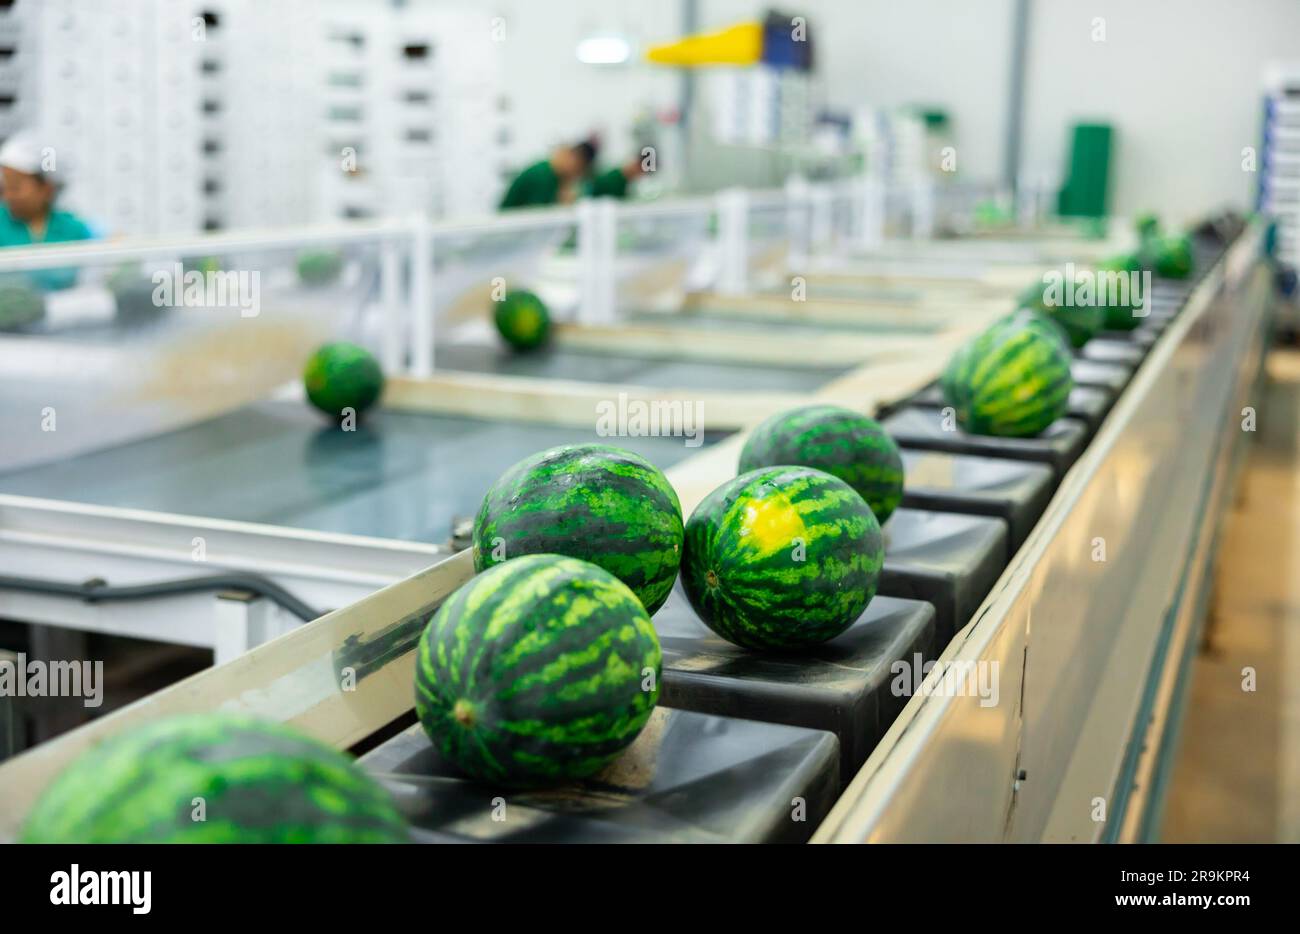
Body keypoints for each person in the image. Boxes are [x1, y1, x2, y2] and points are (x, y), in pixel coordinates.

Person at [0, 131, 95, 291]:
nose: (8, 196)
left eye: (15, 188)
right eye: (4, 188)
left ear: (47, 188)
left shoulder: (73, 228)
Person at [499, 140, 598, 210]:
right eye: (578, 170)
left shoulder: (555, 177)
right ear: (573, 158)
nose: (575, 176)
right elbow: (539, 216)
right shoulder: (543, 175)